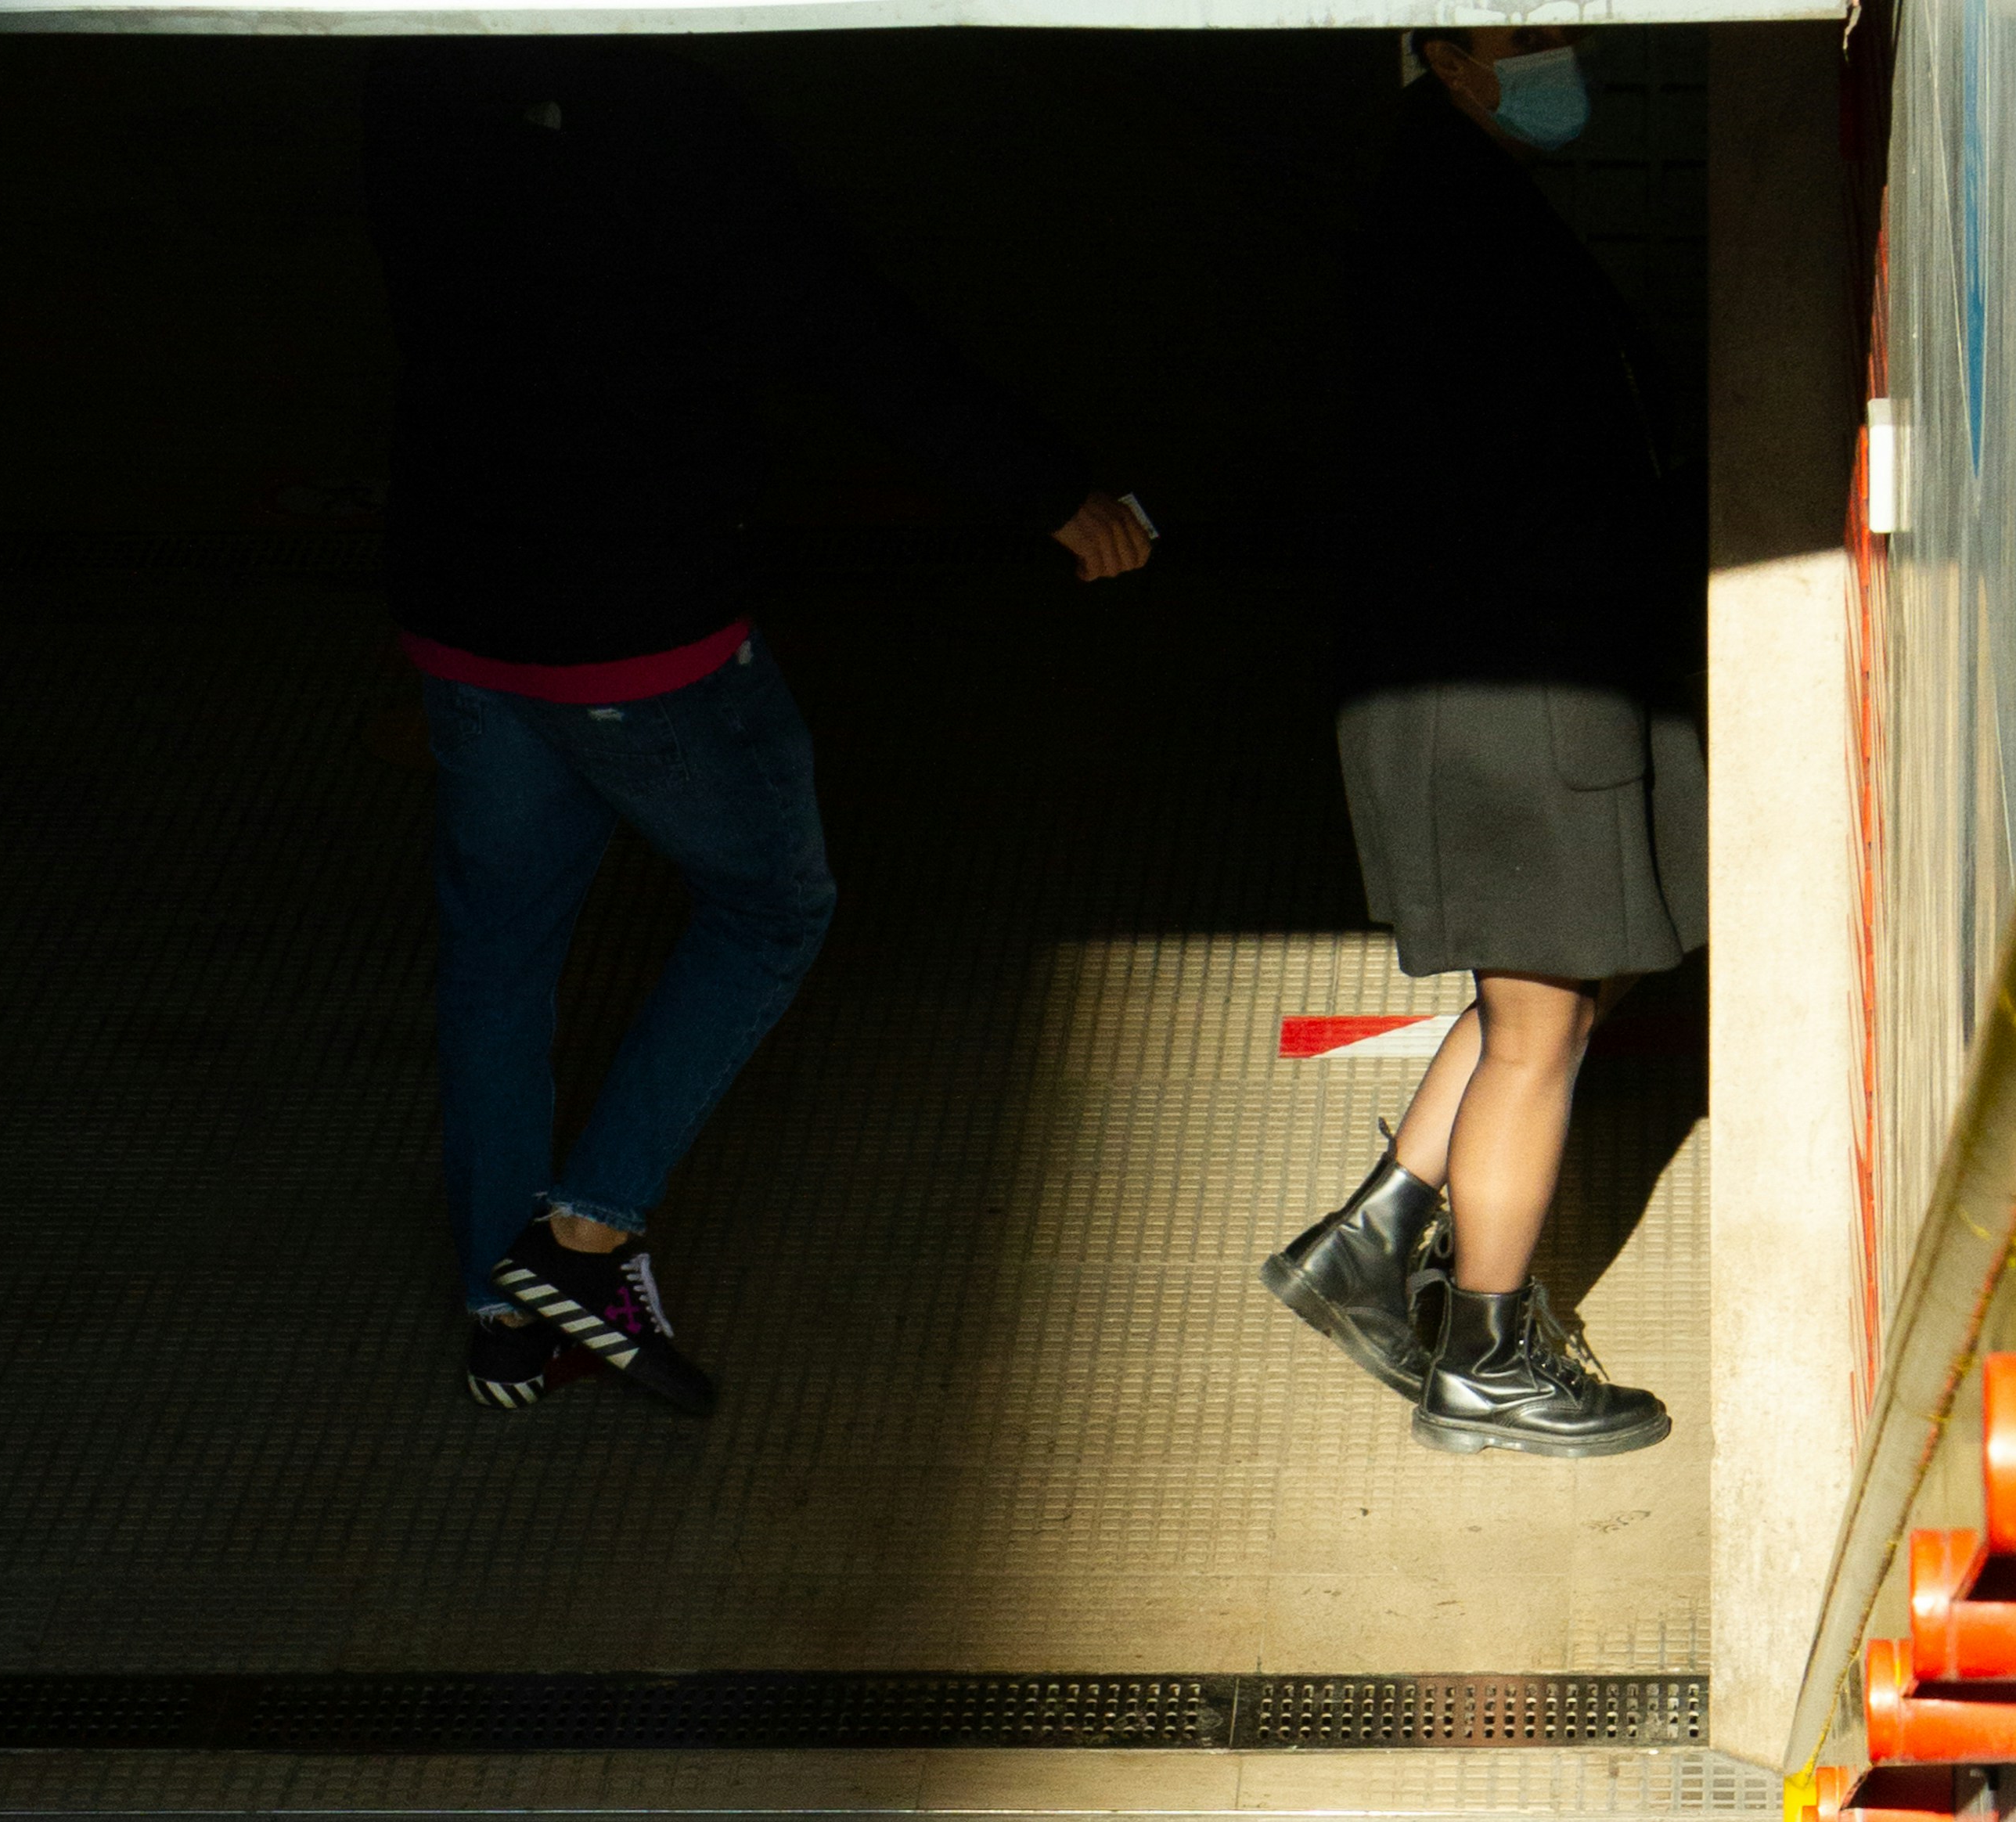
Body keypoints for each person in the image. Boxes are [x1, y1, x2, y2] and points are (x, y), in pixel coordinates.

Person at [364, 42, 1153, 1417]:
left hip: (460, 606)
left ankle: (503, 1316)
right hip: (640, 621)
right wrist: (1048, 489)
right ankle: (580, 1239)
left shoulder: (410, 80)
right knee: (769, 907)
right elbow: (841, 321)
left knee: (498, 954)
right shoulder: (671, 118)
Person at [1261, 25, 1703, 1459]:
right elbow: (1541, 458)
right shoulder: (1454, 216)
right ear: (1446, 55)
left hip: (1482, 667)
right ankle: (1489, 1363)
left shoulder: (1437, 187)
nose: (1560, 52)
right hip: (1513, 682)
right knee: (1541, 1024)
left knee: (1568, 976)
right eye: (1525, 32)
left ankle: (1373, 1242)